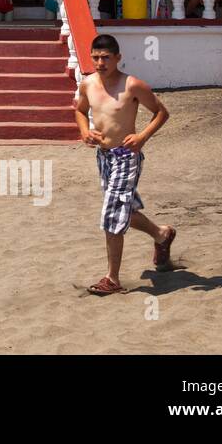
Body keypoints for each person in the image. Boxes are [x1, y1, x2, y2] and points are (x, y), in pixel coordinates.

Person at [74, 35, 177, 296]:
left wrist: (142, 137)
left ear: (117, 58)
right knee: (123, 211)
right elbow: (79, 109)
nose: (100, 62)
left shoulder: (132, 85)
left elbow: (161, 112)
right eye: (95, 57)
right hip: (104, 157)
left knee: (112, 215)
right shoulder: (88, 84)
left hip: (126, 157)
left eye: (106, 57)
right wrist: (85, 131)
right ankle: (161, 235)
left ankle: (112, 278)